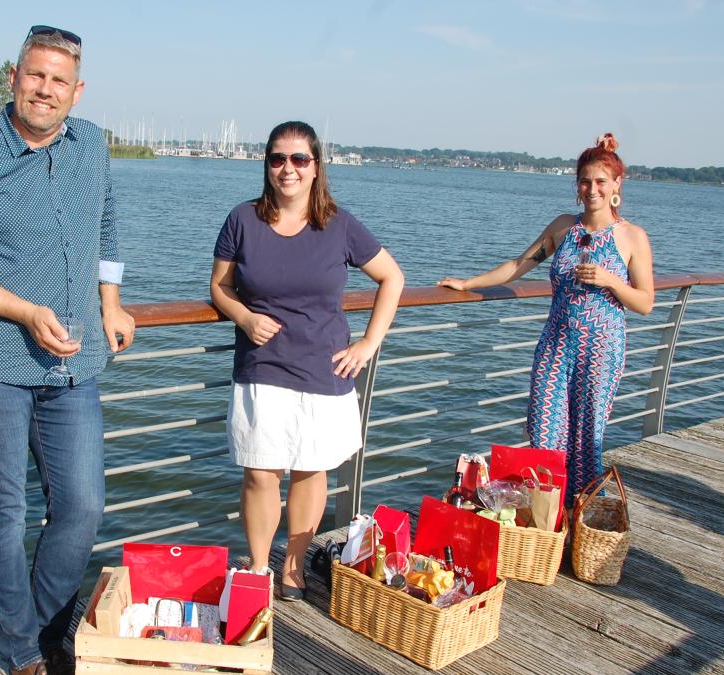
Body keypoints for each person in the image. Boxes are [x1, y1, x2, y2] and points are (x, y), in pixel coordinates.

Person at [0, 25, 134, 675]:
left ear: (77, 89)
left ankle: (31, 626)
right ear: (12, 78)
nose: (45, 89)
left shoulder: (91, 144)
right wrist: (24, 310)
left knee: (82, 505)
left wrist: (111, 300)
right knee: (3, 511)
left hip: (73, 362)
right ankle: (20, 651)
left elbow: (107, 217)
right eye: (34, 75)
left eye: (59, 80)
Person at [210, 121, 405, 600]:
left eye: (299, 159)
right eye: (278, 158)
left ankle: (293, 567)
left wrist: (367, 345)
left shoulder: (338, 224)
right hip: (262, 365)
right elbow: (219, 286)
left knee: (310, 470)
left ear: (316, 167)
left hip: (325, 367)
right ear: (267, 166)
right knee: (260, 472)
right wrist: (244, 317)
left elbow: (392, 278)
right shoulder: (242, 219)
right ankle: (259, 566)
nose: (287, 169)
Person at [438, 133, 654, 502]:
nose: (592, 189)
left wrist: (610, 280)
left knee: (586, 438)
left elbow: (645, 302)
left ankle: (581, 517)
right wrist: (468, 282)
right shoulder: (563, 228)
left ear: (617, 185)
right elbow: (519, 264)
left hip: (600, 349)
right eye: (585, 181)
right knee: (544, 432)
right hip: (556, 343)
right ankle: (546, 522)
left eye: (601, 181)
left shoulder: (632, 236)